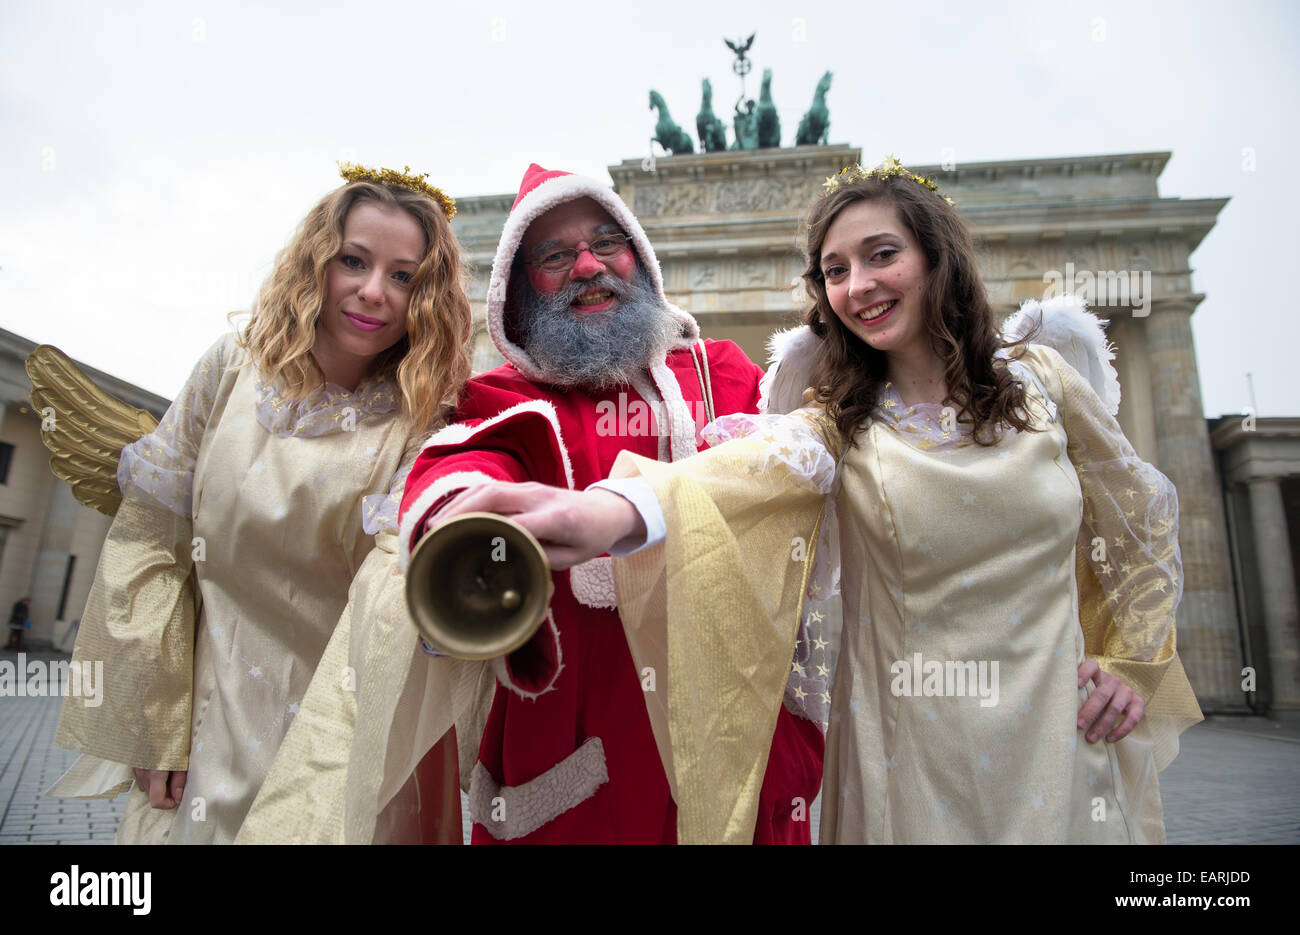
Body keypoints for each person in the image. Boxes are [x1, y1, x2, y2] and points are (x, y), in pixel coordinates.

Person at [465, 158, 1204, 844]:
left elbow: (1134, 517)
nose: (860, 284)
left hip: (1057, 729)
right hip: (913, 749)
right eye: (835, 270)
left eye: (883, 254)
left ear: (936, 256)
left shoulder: (1043, 376)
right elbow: (742, 472)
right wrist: (606, 513)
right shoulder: (837, 418)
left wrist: (1132, 659)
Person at [386, 163, 825, 845]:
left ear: (640, 259)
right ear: (518, 287)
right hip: (584, 761)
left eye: (606, 243)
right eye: (556, 256)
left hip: (733, 735)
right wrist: (465, 524)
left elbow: (793, 477)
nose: (588, 265)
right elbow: (464, 460)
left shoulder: (725, 371)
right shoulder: (503, 396)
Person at [47, 163, 473, 844]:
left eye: (403, 276)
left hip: (350, 740)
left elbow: (402, 602)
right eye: (353, 261)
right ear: (315, 263)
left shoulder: (429, 420)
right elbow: (153, 542)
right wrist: (155, 716)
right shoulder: (229, 368)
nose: (373, 292)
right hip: (208, 730)